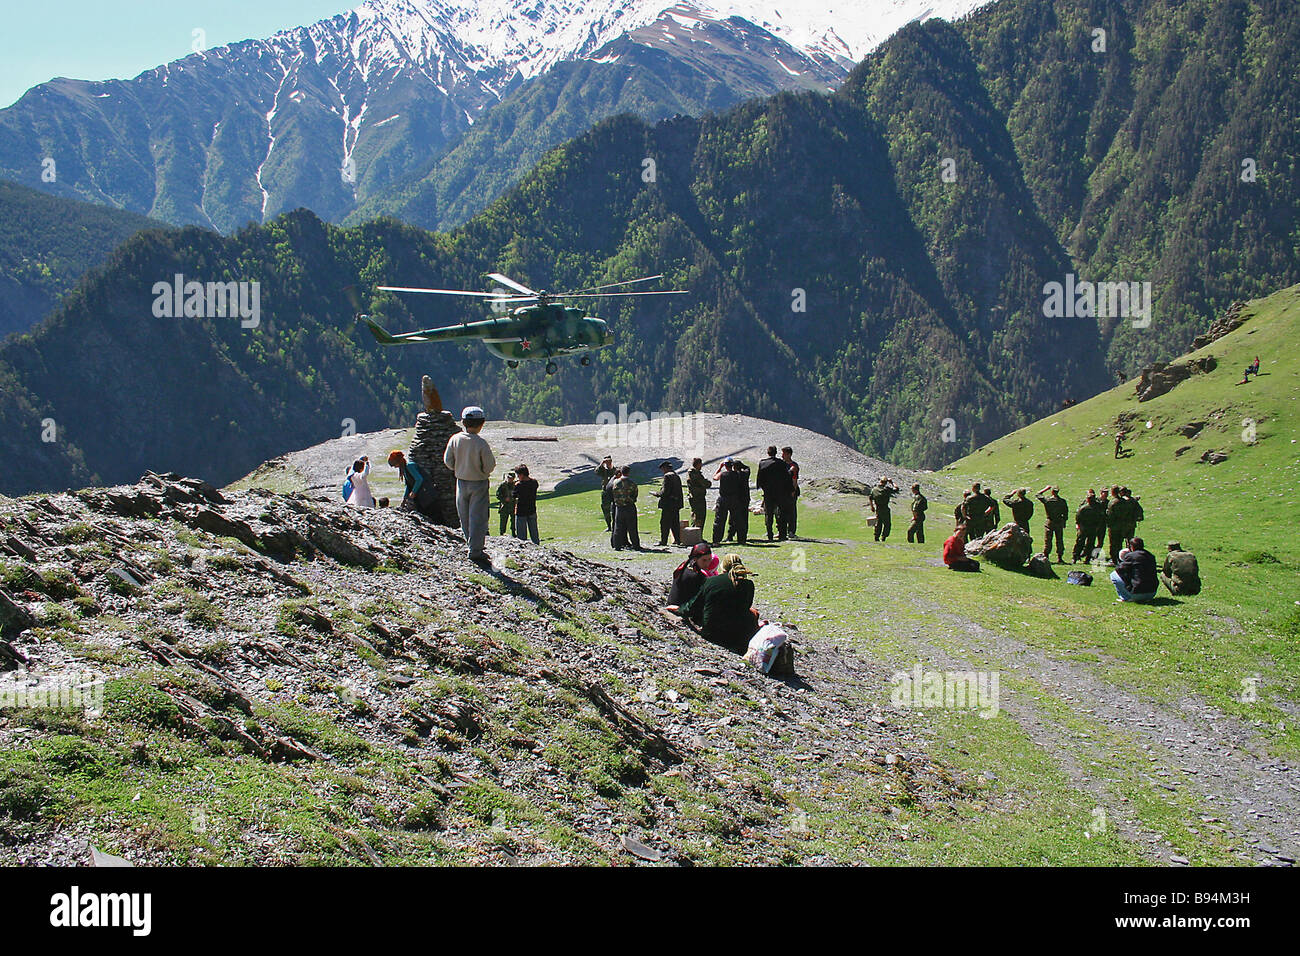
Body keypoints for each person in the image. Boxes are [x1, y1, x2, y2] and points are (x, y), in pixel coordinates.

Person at [673, 553, 759, 652]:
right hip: (738, 634)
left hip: (713, 633)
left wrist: (679, 609)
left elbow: (694, 606)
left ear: (723, 567)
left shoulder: (711, 581)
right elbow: (746, 606)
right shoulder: (748, 584)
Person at [443, 406, 496, 563]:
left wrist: (458, 469)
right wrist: (482, 472)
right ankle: (476, 550)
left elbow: (448, 461)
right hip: (478, 483)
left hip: (460, 481)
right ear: (481, 424)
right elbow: (489, 465)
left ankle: (470, 544)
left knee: (464, 515)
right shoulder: (481, 443)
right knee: (478, 517)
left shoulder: (455, 439)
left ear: (463, 422)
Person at [756, 446, 794, 541]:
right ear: (776, 452)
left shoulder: (763, 463)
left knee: (769, 514)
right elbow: (786, 477)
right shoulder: (781, 463)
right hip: (780, 492)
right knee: (781, 513)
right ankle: (782, 534)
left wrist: (763, 488)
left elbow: (760, 478)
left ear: (768, 453)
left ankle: (769, 534)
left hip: (768, 493)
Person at [666, 542, 721, 607]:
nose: (707, 563)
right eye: (704, 560)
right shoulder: (694, 575)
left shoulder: (687, 564)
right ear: (695, 559)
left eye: (709, 559)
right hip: (679, 607)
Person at [712, 458, 750, 545]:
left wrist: (720, 467)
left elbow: (715, 477)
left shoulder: (722, 474)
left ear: (725, 465)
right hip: (734, 499)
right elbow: (746, 470)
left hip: (723, 498)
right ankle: (741, 539)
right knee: (738, 520)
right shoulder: (738, 474)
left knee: (719, 520)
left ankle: (716, 540)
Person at [1111, 537, 1158, 602]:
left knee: (1113, 575)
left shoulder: (1131, 556)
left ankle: (1125, 597)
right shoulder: (1151, 556)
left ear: (1132, 547)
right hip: (1152, 592)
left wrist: (1122, 559)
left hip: (1138, 593)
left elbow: (1119, 570)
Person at [610, 465, 641, 551]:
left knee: (618, 527)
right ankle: (636, 545)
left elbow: (611, 491)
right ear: (628, 472)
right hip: (629, 507)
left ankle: (617, 546)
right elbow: (635, 495)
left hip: (619, 507)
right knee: (632, 527)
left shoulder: (615, 482)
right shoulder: (632, 483)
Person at [653, 460, 684, 546]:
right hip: (676, 504)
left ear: (665, 468)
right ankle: (678, 540)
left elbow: (665, 492)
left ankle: (664, 541)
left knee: (665, 523)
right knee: (675, 523)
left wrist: (657, 494)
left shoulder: (667, 476)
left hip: (668, 504)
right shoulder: (676, 476)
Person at [1037, 485, 1069, 563]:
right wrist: (1064, 522)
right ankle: (1060, 557)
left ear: (1052, 492)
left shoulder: (1048, 500)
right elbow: (1065, 513)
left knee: (1048, 540)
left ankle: (1046, 556)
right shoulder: (1062, 501)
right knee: (1059, 540)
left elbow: (1038, 494)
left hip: (1050, 522)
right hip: (1059, 522)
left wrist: (1046, 488)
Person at [1071, 489, 1105, 563]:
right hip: (1089, 528)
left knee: (1083, 543)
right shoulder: (1096, 507)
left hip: (1087, 528)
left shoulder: (1085, 508)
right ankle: (1082, 558)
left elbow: (1078, 518)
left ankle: (1078, 557)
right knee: (1087, 543)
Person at [512, 465, 540, 544]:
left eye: (518, 475)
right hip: (532, 510)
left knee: (521, 537)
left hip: (521, 511)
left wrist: (515, 485)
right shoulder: (534, 482)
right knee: (534, 533)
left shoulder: (519, 485)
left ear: (521, 475)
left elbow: (514, 495)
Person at [869, 477, 899, 541]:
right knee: (887, 523)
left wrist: (872, 507)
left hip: (878, 508)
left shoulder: (874, 489)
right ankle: (884, 537)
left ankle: (876, 536)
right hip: (885, 508)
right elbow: (896, 489)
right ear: (886, 483)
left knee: (878, 523)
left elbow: (870, 498)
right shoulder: (886, 489)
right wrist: (892, 482)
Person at [686, 458, 711, 529]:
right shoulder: (694, 473)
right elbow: (705, 483)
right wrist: (707, 482)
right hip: (697, 498)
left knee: (699, 516)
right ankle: (696, 535)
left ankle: (697, 535)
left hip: (697, 497)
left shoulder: (695, 472)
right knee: (699, 517)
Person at [782, 447, 801, 537]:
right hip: (783, 491)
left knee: (791, 511)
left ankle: (791, 531)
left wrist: (793, 490)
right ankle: (782, 530)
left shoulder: (794, 466)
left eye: (784, 454)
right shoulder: (782, 464)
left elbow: (795, 479)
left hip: (790, 491)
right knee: (782, 512)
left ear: (789, 454)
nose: (782, 456)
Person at [595, 456, 616, 531]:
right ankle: (609, 526)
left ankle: (615, 526)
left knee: (615, 509)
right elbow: (596, 472)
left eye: (609, 461)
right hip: (605, 492)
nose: (607, 463)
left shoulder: (615, 469)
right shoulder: (603, 470)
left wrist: (610, 465)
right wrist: (602, 464)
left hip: (614, 492)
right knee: (605, 508)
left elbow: (615, 473)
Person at [496, 471, 517, 537]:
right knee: (503, 521)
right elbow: (498, 495)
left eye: (511, 478)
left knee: (513, 520)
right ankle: (502, 533)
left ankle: (514, 533)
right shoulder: (503, 485)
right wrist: (504, 499)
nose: (510, 479)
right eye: (508, 477)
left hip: (513, 505)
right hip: (504, 506)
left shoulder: (515, 485)